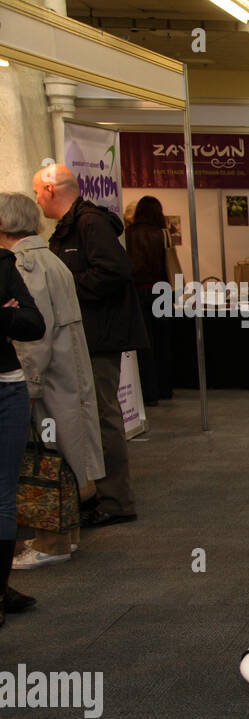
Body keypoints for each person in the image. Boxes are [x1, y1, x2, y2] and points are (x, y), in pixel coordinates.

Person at [34, 162, 146, 528]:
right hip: (90, 336)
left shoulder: (88, 223)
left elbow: (114, 270)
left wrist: (66, 290)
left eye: (38, 193)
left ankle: (116, 500)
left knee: (103, 416)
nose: (38, 201)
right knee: (94, 416)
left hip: (99, 336)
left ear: (51, 189)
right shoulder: (74, 225)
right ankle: (102, 494)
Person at [0, 194, 105, 570]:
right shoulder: (49, 259)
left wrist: (24, 387)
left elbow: (33, 337)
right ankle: (65, 537)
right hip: (66, 376)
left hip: (47, 381)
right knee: (64, 457)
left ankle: (51, 541)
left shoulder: (26, 265)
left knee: (46, 461)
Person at [0, 228, 47, 623]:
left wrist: (8, 314)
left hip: (8, 388)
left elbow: (33, 323)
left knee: (4, 493)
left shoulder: (3, 263)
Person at [125, 196, 173, 406]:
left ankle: (148, 392)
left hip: (137, 292)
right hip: (160, 291)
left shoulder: (128, 235)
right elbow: (170, 265)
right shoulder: (162, 234)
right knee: (163, 341)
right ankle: (165, 387)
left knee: (144, 344)